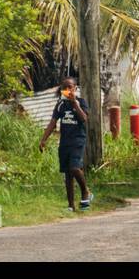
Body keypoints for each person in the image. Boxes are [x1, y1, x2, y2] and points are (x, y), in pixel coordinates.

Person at [40, 77, 92, 211]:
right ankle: (71, 206)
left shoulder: (81, 102)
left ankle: (86, 191)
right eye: (65, 88)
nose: (67, 90)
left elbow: (84, 118)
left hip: (77, 141)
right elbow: (53, 123)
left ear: (75, 88)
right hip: (64, 143)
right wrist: (43, 139)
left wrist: (75, 103)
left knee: (75, 168)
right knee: (68, 174)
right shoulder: (60, 105)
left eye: (70, 87)